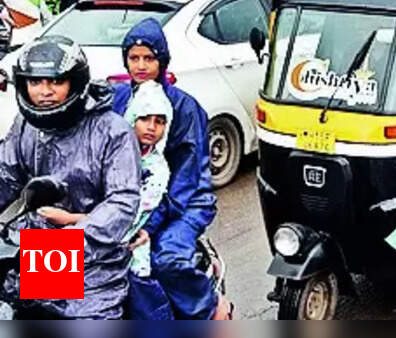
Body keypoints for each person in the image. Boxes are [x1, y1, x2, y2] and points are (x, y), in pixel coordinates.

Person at [0, 36, 140, 319]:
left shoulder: (112, 130)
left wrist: (73, 240)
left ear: (74, 82)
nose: (45, 91)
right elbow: (6, 175)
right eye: (36, 82)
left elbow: (123, 202)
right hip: (33, 251)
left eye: (56, 82)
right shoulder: (25, 125)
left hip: (94, 260)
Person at [111, 18, 227, 320]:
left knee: (164, 259)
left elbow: (187, 178)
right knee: (46, 269)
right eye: (133, 58)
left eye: (148, 58)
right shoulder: (113, 100)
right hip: (126, 201)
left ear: (161, 61)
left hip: (179, 200)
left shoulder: (184, 108)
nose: (46, 91)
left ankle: (209, 310)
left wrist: (148, 225)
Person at [122, 80, 175, 321]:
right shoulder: (105, 145)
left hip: (118, 245)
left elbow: (128, 217)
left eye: (160, 121)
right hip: (61, 239)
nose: (151, 127)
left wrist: (72, 220)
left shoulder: (156, 169)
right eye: (145, 118)